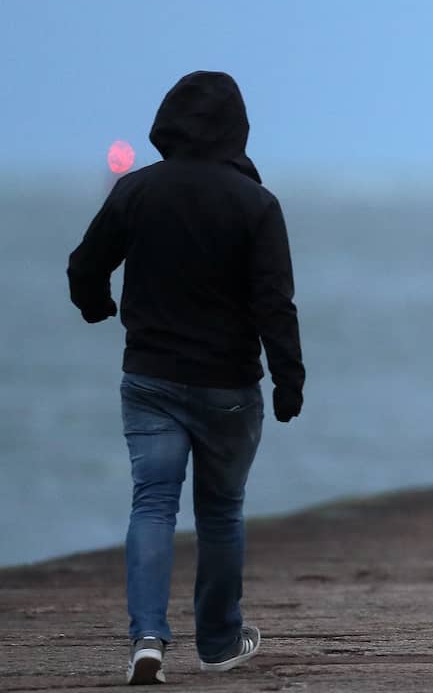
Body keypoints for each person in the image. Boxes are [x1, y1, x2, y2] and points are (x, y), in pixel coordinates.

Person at [67, 71, 304, 685]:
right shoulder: (257, 203)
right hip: (228, 388)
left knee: (152, 504)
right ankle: (220, 641)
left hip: (149, 379)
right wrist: (288, 379)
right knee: (221, 512)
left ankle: (147, 639)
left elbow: (84, 264)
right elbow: (274, 303)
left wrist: (97, 305)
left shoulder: (138, 190)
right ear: (237, 129)